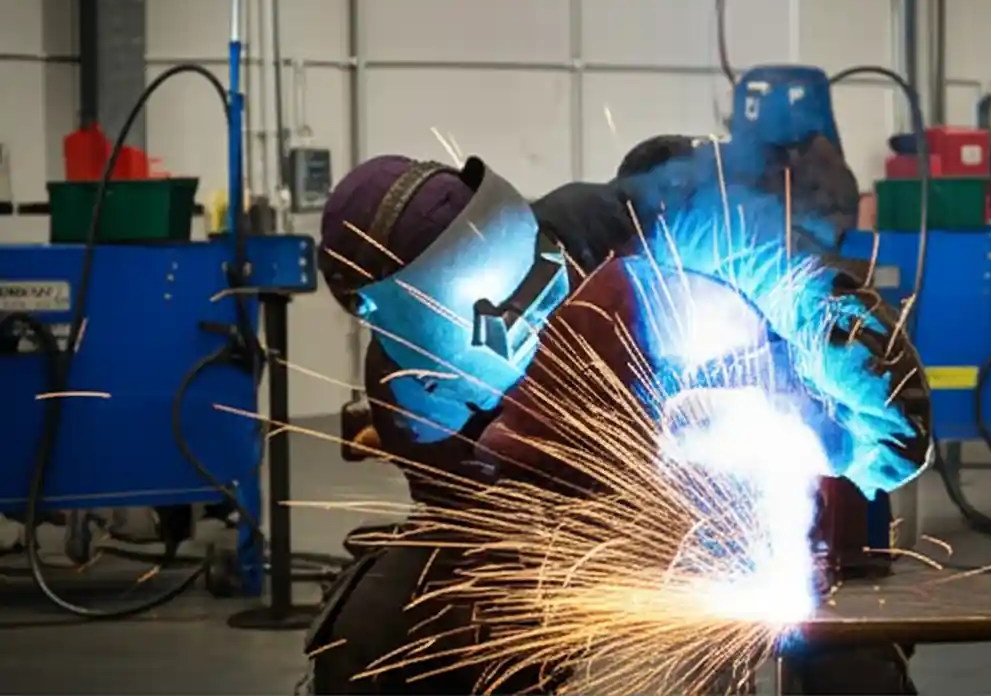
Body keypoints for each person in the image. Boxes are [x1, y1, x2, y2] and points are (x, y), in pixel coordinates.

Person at [303, 135, 928, 693]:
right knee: (376, 638)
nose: (536, 316)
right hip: (567, 527)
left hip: (744, 489)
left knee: (845, 655)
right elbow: (480, 536)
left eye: (535, 280)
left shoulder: (590, 223)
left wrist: (815, 304)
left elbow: (720, 229)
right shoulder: (409, 407)